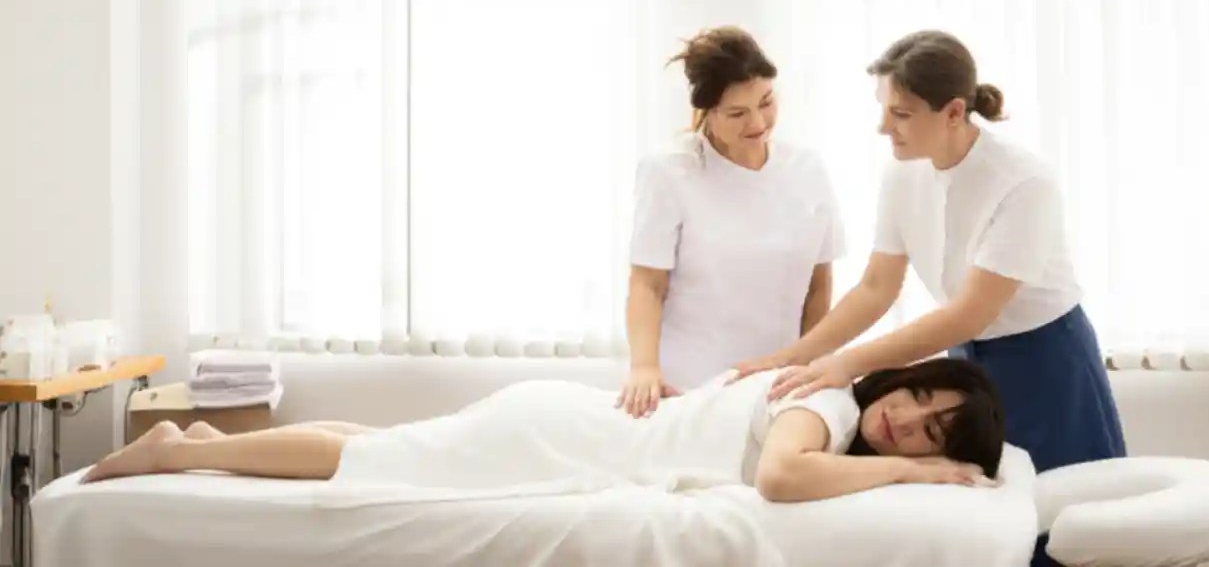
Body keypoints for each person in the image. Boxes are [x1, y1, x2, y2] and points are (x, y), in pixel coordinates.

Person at [734, 29, 1126, 481]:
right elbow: (876, 287)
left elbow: (968, 315)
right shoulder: (903, 171)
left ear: (954, 112)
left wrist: (847, 364)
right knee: (983, 513)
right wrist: (796, 357)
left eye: (900, 114)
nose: (884, 127)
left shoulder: (1024, 182)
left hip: (1046, 360)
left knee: (1067, 511)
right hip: (965, 366)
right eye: (883, 109)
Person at [82, 357, 1005, 505]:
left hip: (571, 419)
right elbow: (779, 481)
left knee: (393, 437)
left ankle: (205, 441)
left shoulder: (824, 401)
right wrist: (917, 477)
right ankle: (180, 452)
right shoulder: (833, 407)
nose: (906, 419)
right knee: (375, 457)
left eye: (930, 436)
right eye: (923, 399)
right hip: (567, 441)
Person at [618, 26, 846, 418]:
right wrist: (644, 368)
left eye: (767, 101)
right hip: (688, 387)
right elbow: (647, 284)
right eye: (737, 113)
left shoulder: (806, 168)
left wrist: (809, 366)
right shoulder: (669, 171)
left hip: (777, 388)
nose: (758, 122)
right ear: (707, 111)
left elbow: (818, 285)